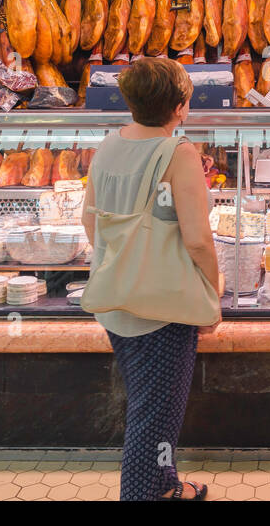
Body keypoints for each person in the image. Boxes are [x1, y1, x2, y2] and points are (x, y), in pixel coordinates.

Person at [81, 56, 222, 501]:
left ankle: (165, 486)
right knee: (153, 418)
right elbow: (198, 239)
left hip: (118, 299)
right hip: (161, 308)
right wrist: (212, 289)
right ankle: (143, 492)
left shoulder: (108, 144)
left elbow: (90, 221)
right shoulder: (178, 153)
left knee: (148, 402)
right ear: (180, 106)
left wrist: (124, 257)